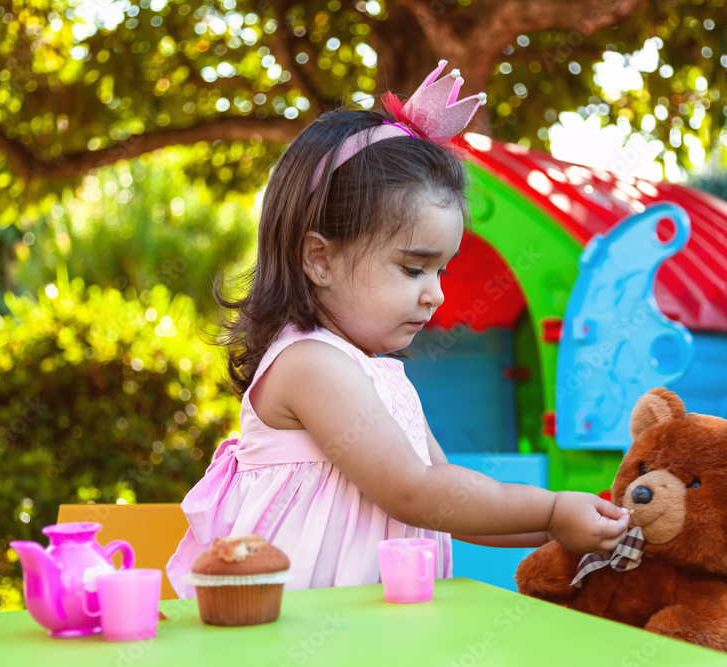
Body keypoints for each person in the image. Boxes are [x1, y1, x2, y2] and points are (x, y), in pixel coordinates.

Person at [166, 61, 629, 596]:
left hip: (373, 632)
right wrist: (549, 510)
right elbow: (415, 491)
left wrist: (575, 526)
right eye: (413, 268)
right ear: (320, 259)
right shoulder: (309, 364)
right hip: (299, 634)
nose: (436, 292)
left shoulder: (385, 378)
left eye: (443, 269)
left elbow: (449, 506)